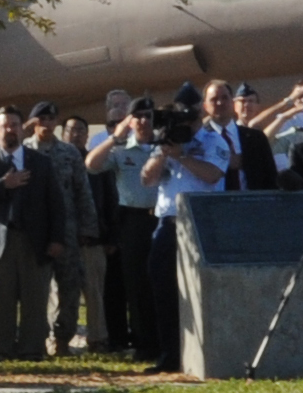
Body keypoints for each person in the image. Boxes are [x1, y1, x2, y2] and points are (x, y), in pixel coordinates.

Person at [139, 99, 230, 372]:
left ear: (199, 115)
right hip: (168, 223)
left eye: (188, 119)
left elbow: (213, 174)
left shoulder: (214, 142)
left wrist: (182, 156)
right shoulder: (166, 142)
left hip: (201, 222)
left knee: (203, 288)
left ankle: (208, 353)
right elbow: (146, 179)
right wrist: (164, 153)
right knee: (163, 288)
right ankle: (169, 353)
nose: (184, 125)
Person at [0, 105, 69, 361]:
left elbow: (56, 203)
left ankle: (32, 349)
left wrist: (56, 238)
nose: (10, 129)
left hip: (34, 241)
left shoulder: (40, 162)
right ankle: (3, 350)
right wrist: (2, 186)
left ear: (23, 129)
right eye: (4, 125)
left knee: (35, 299)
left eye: (14, 125)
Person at [29, 101, 103, 354]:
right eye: (41, 119)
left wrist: (88, 228)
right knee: (35, 287)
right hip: (34, 230)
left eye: (51, 119)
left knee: (70, 285)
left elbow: (83, 192)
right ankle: (35, 337)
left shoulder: (69, 153)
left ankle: (62, 338)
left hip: (67, 230)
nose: (46, 123)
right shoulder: (25, 150)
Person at [90, 98, 161, 360]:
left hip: (163, 219)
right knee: (136, 284)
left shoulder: (164, 147)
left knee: (164, 282)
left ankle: (166, 340)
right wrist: (114, 138)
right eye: (138, 116)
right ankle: (144, 344)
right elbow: (91, 165)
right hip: (132, 221)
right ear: (129, 120)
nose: (143, 121)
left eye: (148, 116)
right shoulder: (121, 150)